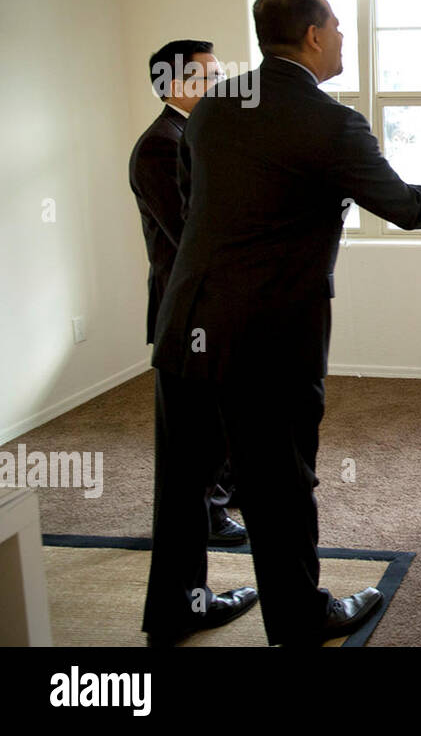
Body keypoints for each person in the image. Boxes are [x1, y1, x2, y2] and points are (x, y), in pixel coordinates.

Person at [143, 0, 421, 646]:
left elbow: (192, 200)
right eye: (335, 28)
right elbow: (405, 207)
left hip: (186, 323)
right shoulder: (331, 122)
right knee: (279, 489)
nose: (339, 40)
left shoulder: (214, 107)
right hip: (267, 341)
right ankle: (300, 621)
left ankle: (175, 610)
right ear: (312, 35)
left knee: (184, 485)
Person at [129, 39, 245, 548]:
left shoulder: (197, 134)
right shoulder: (161, 144)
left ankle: (227, 490)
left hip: (214, 302)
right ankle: (209, 516)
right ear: (176, 86)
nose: (221, 85)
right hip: (190, 307)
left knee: (222, 410)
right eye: (211, 76)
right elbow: (189, 233)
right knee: (198, 424)